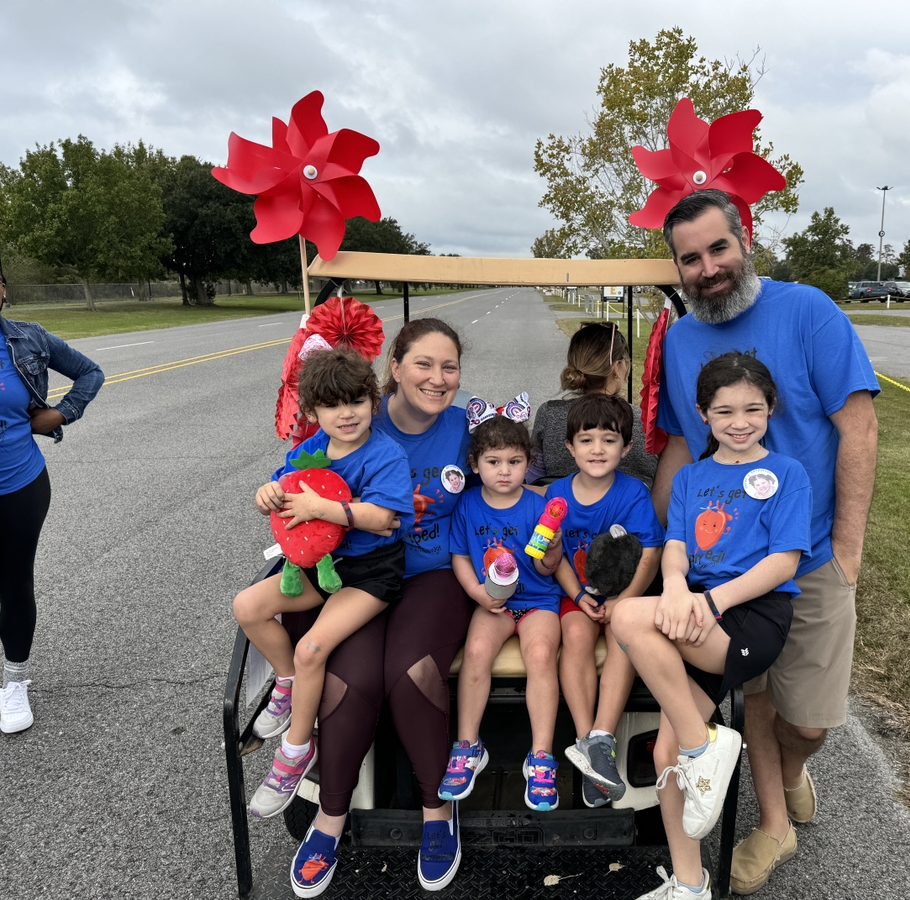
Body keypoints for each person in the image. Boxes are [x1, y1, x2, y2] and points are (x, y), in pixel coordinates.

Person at [650, 190, 879, 895]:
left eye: (718, 248)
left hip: (806, 557)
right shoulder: (684, 338)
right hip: (724, 568)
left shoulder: (808, 310)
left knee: (808, 720)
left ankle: (795, 767)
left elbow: (858, 427)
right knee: (754, 699)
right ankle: (773, 825)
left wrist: (848, 549)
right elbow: (686, 450)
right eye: (690, 258)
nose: (707, 267)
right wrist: (658, 545)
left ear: (743, 239)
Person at [277, 318, 475, 896]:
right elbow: (298, 482)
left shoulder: (467, 427)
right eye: (423, 364)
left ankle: (437, 810)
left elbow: (520, 477)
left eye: (449, 367)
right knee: (348, 678)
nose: (437, 379)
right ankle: (330, 814)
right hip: (359, 576)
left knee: (410, 673)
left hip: (435, 572)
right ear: (393, 366)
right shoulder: (354, 412)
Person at [611, 352, 811, 900]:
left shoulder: (788, 474)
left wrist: (711, 602)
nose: (739, 421)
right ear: (703, 414)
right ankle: (690, 884)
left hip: (750, 614)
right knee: (661, 754)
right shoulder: (693, 477)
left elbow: (784, 562)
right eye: (724, 411)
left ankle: (706, 747)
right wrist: (675, 589)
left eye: (753, 408)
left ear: (772, 408)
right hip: (696, 609)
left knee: (628, 614)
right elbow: (676, 546)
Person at [231, 347, 411, 896]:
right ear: (313, 411)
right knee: (248, 607)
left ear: (373, 401)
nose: (347, 414)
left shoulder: (384, 454)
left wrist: (322, 509)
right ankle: (285, 683)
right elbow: (283, 488)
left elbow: (383, 520)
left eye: (356, 400)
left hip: (369, 574)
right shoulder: (310, 449)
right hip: (316, 565)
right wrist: (268, 495)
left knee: (314, 649)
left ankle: (296, 750)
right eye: (332, 406)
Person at [0, 253, 104, 734]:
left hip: (20, 484)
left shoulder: (28, 337)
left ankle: (14, 682)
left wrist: (62, 413)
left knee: (14, 585)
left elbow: (90, 372)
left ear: (4, 288)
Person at [439, 409, 566, 812]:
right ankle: (467, 746)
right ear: (475, 465)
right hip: (491, 603)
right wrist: (477, 593)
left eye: (515, 462)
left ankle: (542, 756)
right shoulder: (469, 504)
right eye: (493, 463)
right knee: (476, 652)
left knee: (542, 656)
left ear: (529, 463)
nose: (505, 472)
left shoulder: (538, 504)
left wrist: (554, 546)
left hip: (537, 600)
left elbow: (549, 567)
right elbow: (459, 556)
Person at [547, 393, 663, 808]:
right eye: (587, 440)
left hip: (622, 595)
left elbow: (650, 553)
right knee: (575, 636)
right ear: (569, 447)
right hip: (573, 595)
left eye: (609, 440)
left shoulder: (632, 493)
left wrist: (625, 600)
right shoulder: (556, 495)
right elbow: (552, 554)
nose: (597, 449)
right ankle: (586, 747)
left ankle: (602, 737)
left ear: (626, 448)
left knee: (623, 639)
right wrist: (577, 595)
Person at [530, 321, 658, 488]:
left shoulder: (548, 414)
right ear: (616, 367)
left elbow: (534, 478)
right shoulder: (646, 420)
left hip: (559, 509)